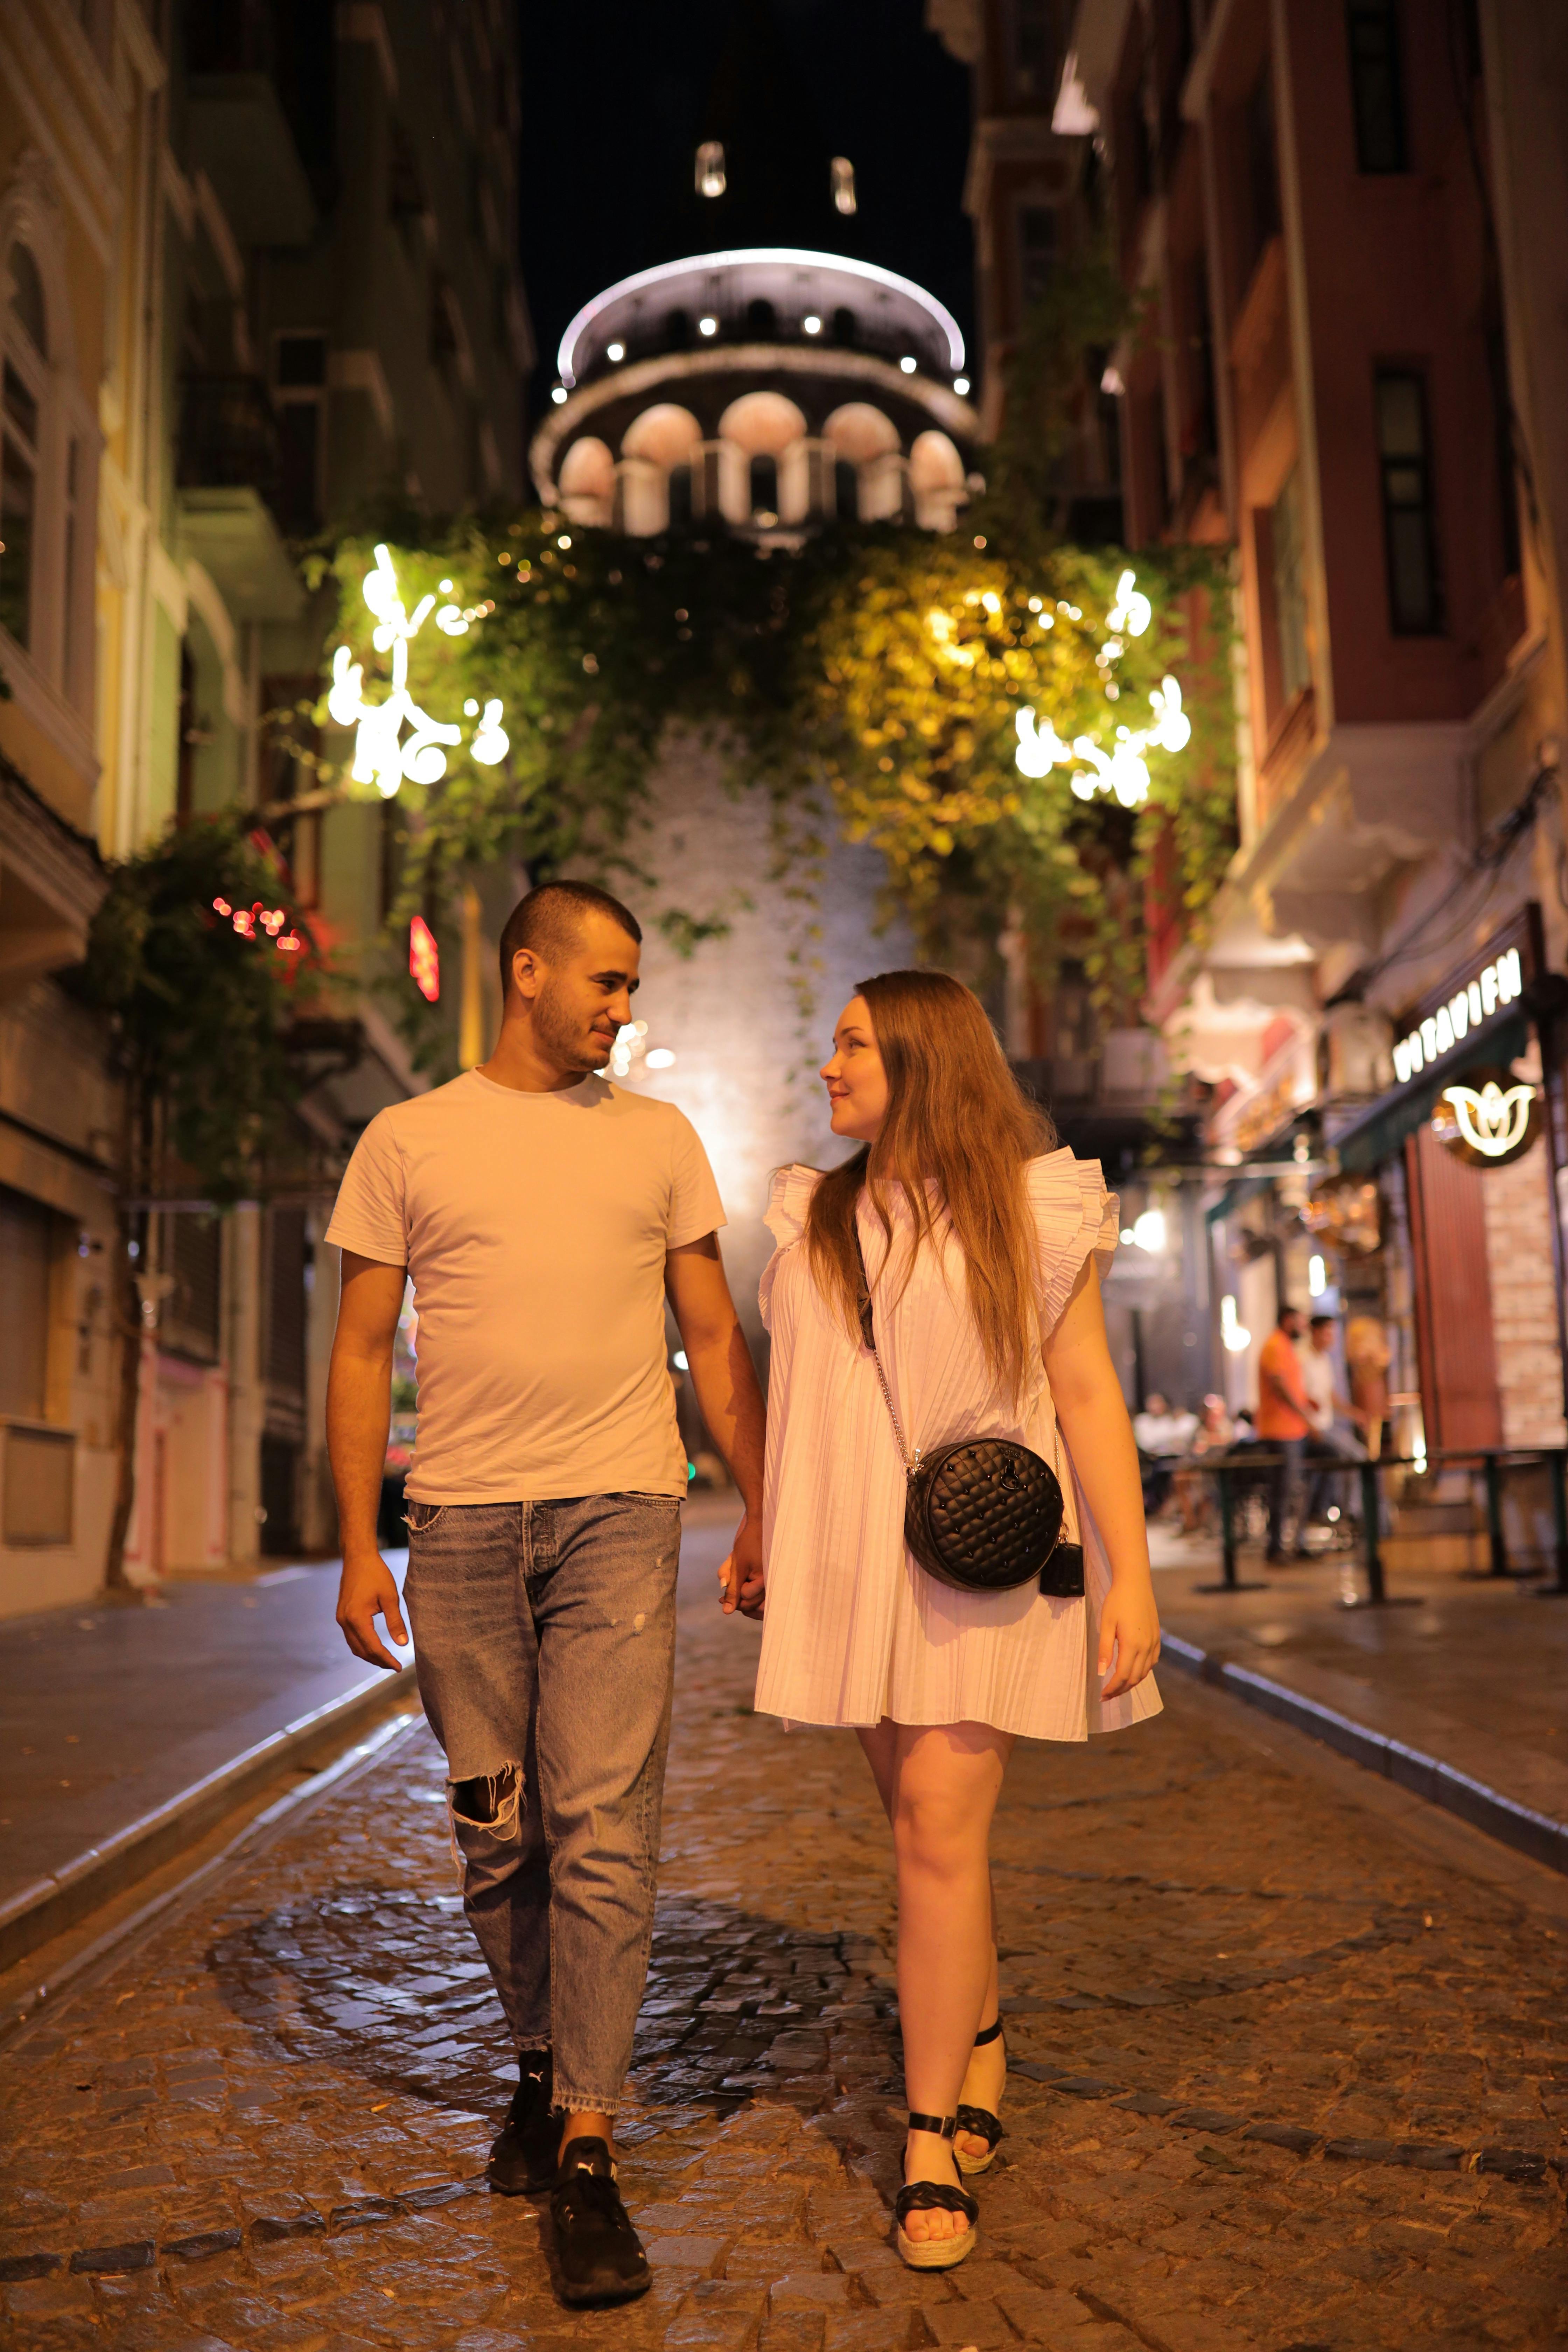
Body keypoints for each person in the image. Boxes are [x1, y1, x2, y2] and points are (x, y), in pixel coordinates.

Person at [324, 881, 765, 2310]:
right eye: (609, 982)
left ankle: (587, 2145)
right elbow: (357, 1349)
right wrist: (353, 1543)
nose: (625, 1010)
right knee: (498, 1833)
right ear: (527, 972)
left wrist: (761, 1501)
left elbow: (711, 1332)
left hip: (623, 1514)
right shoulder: (409, 1138)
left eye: (634, 988)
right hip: (456, 1522)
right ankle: (533, 2068)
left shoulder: (660, 1142)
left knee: (601, 1826)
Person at [732, 972, 1161, 2273]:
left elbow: (1086, 1390)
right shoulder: (811, 1212)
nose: (828, 1065)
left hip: (980, 1563)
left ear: (922, 1056)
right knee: (916, 1826)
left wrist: (1133, 1575)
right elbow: (795, 1393)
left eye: (853, 1043)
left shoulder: (1030, 1207)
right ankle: (975, 2030)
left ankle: (924, 2141)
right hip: (849, 1567)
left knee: (933, 1827)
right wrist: (762, 1526)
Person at [1255, 1304, 1312, 1560]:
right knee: (1283, 1489)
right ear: (1288, 1320)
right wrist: (1303, 1413)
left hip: (1294, 1430)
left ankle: (1296, 1542)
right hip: (1281, 1431)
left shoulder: (1286, 1347)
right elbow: (1279, 1385)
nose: (1304, 1327)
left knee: (1296, 1487)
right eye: (1300, 1321)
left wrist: (1307, 1403)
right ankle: (1276, 1547)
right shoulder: (1275, 1346)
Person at [1301, 1312, 1365, 1533]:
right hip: (1314, 1428)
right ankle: (1351, 1512)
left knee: (1355, 1457)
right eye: (1328, 1333)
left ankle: (1348, 1509)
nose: (1332, 1339)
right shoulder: (1302, 1359)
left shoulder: (1325, 1360)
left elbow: (1329, 1394)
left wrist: (1353, 1413)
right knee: (1356, 1456)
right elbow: (1299, 1396)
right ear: (1316, 1333)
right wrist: (1309, 1425)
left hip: (1327, 1425)